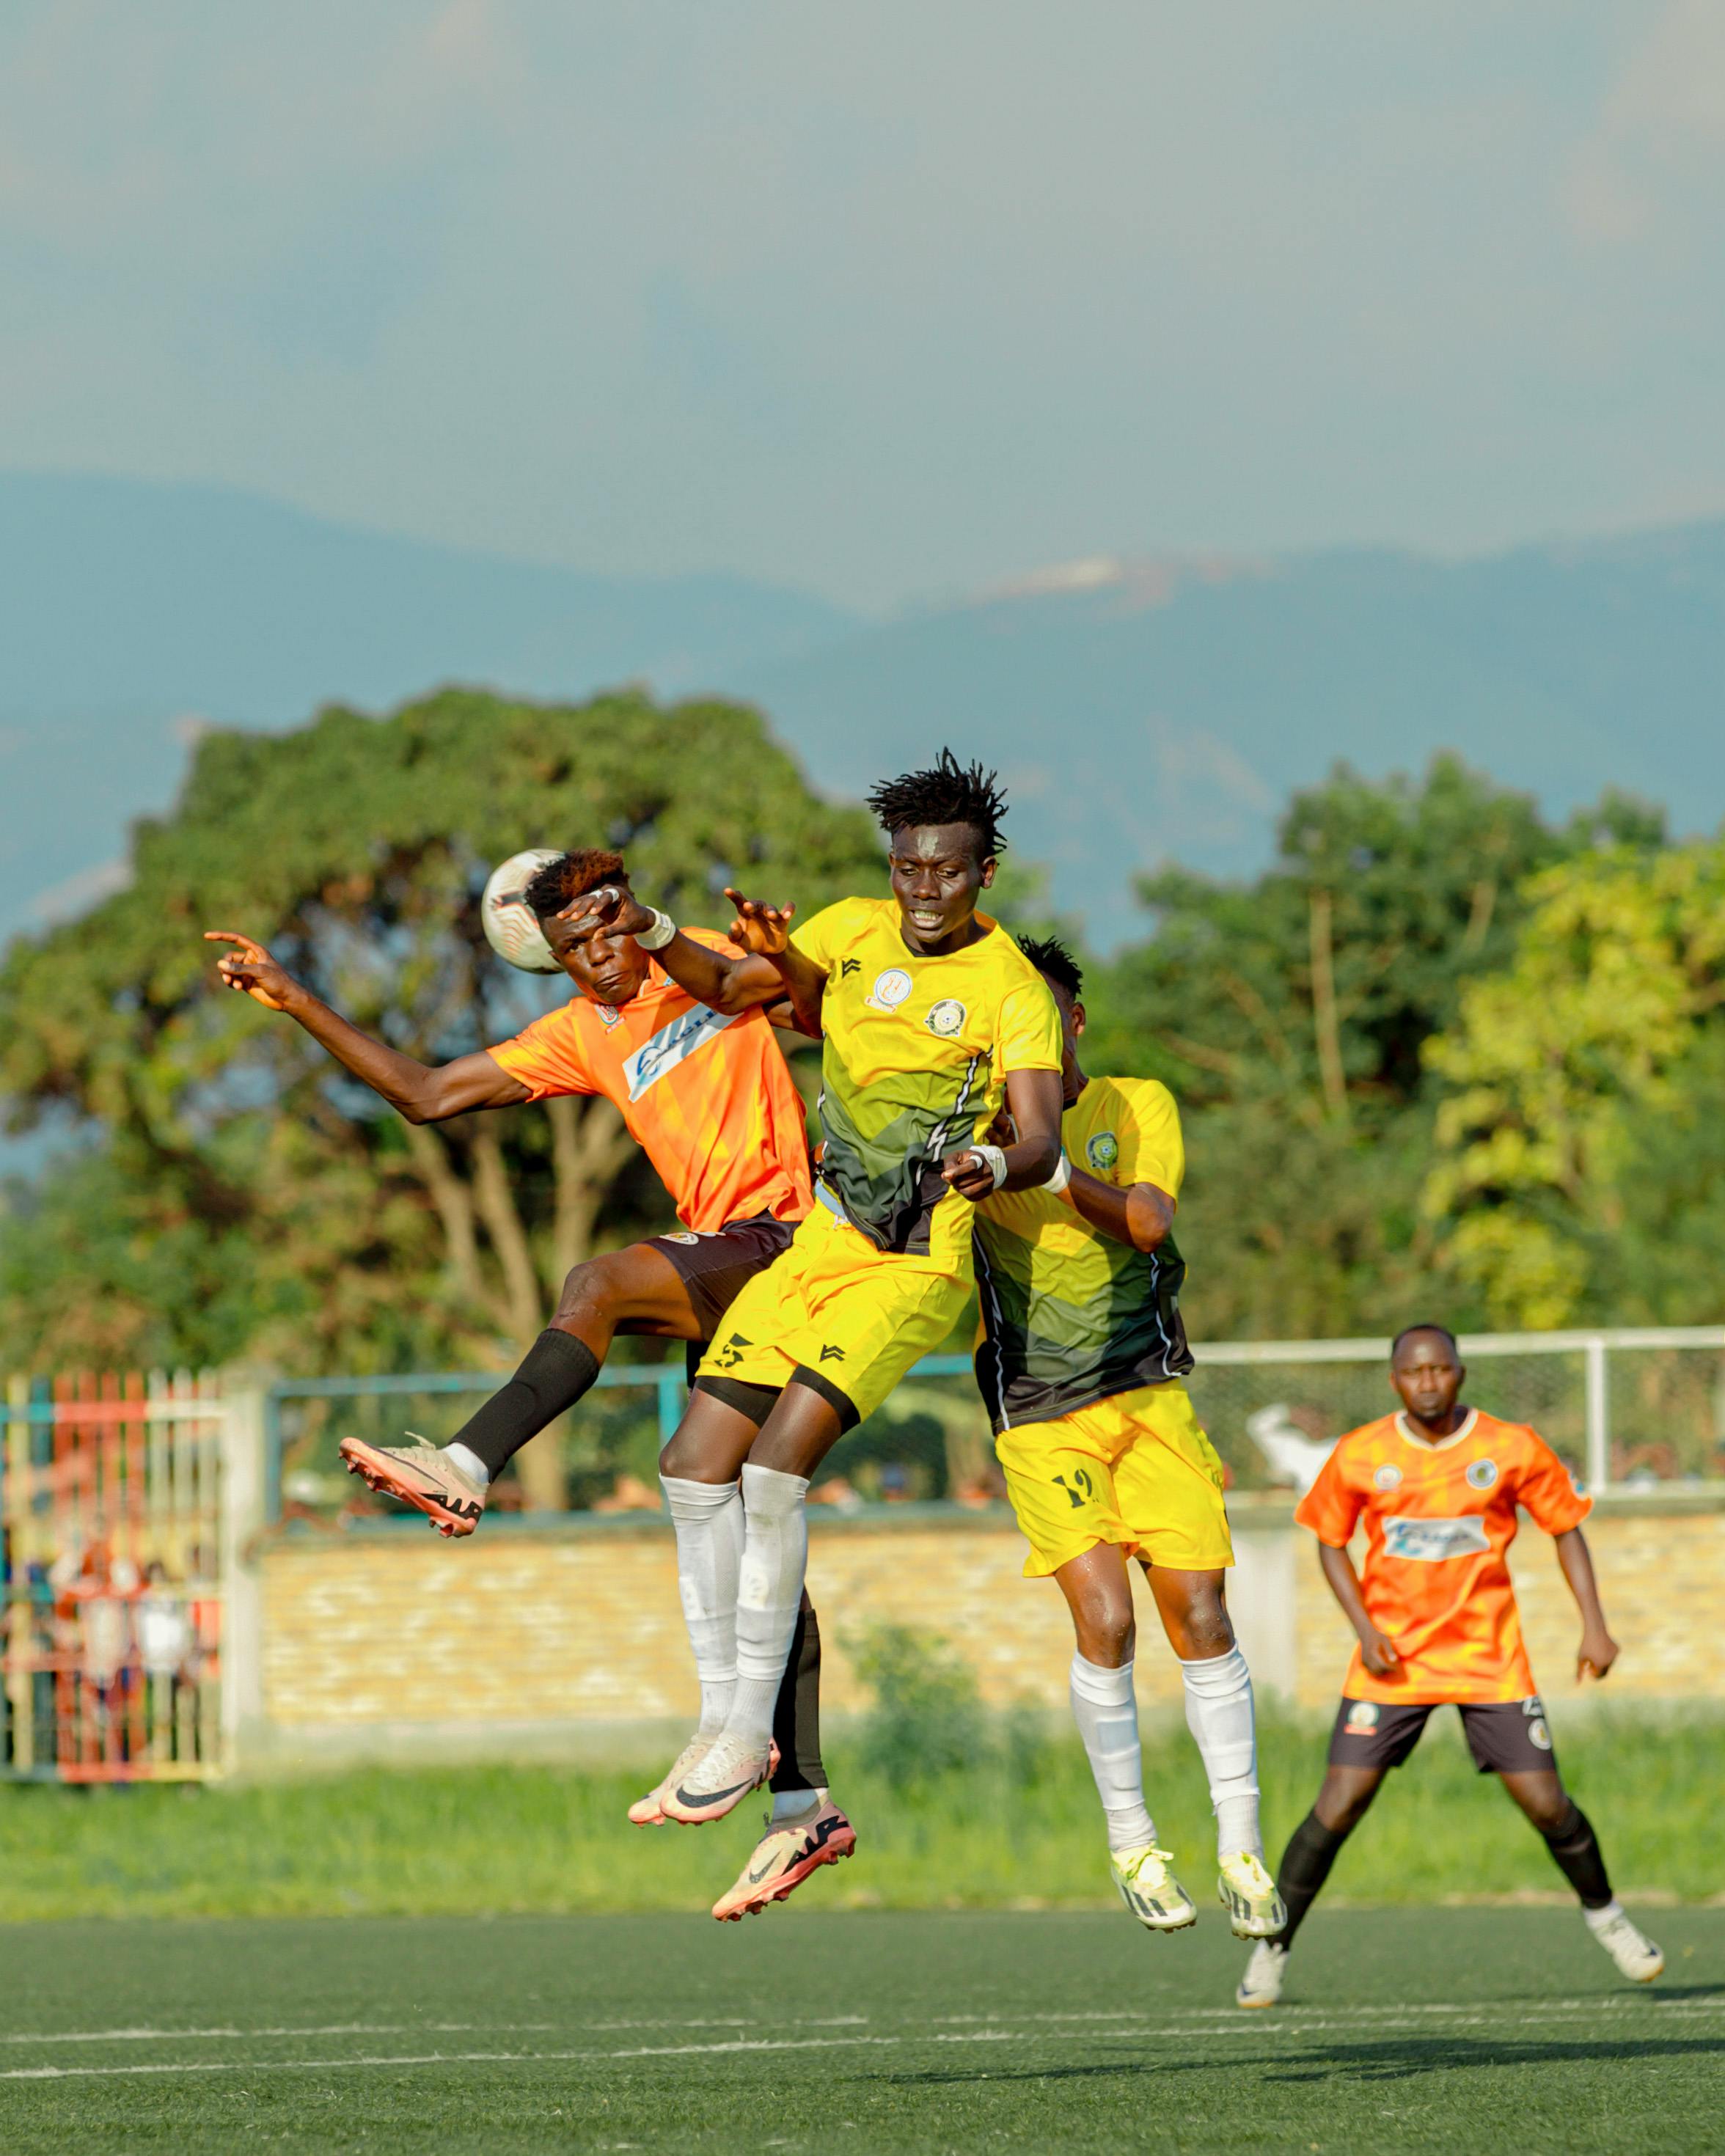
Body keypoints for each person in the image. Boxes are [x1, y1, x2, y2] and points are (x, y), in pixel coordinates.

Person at [205, 853, 854, 1917]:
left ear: (628, 912)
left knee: (596, 1281)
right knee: (743, 1530)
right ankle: (802, 1806)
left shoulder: (707, 970)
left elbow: (805, 1008)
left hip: (794, 1241)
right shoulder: (580, 1033)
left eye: (605, 933)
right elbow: (424, 1096)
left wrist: (745, 951)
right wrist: (295, 1000)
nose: (596, 960)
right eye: (570, 951)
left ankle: (466, 1463)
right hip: (730, 1262)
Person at [564, 750, 1066, 1825]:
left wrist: (991, 1162)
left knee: (777, 1463)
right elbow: (729, 986)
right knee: (695, 1465)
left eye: (947, 873)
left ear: (985, 873)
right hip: (826, 1241)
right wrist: (653, 927)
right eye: (907, 870)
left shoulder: (1011, 988)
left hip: (917, 1260)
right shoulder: (846, 929)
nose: (924, 892)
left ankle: (754, 1734)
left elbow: (1040, 1137)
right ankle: (720, 1722)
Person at [972, 936, 1283, 1940]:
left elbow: (1147, 1221)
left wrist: (1055, 1170)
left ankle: (1242, 1843)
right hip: (1041, 1410)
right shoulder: (971, 1141)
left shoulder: (1136, 1104)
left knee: (1202, 1612)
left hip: (1150, 1397)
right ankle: (1133, 1843)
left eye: (1047, 1017)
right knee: (1107, 1622)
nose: (1033, 1036)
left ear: (1072, 1023)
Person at [1236, 1324, 1663, 2008]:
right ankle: (1271, 1950)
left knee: (1548, 1805)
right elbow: (1329, 1541)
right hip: (1393, 1662)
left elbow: (1565, 1528)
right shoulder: (1362, 1453)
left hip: (1488, 1660)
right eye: (1413, 1371)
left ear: (1461, 1372)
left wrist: (1595, 1626)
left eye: (1440, 1369)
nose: (1428, 1381)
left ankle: (1608, 1918)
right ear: (1394, 1380)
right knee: (1339, 1805)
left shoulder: (1510, 1446)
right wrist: (1365, 1628)